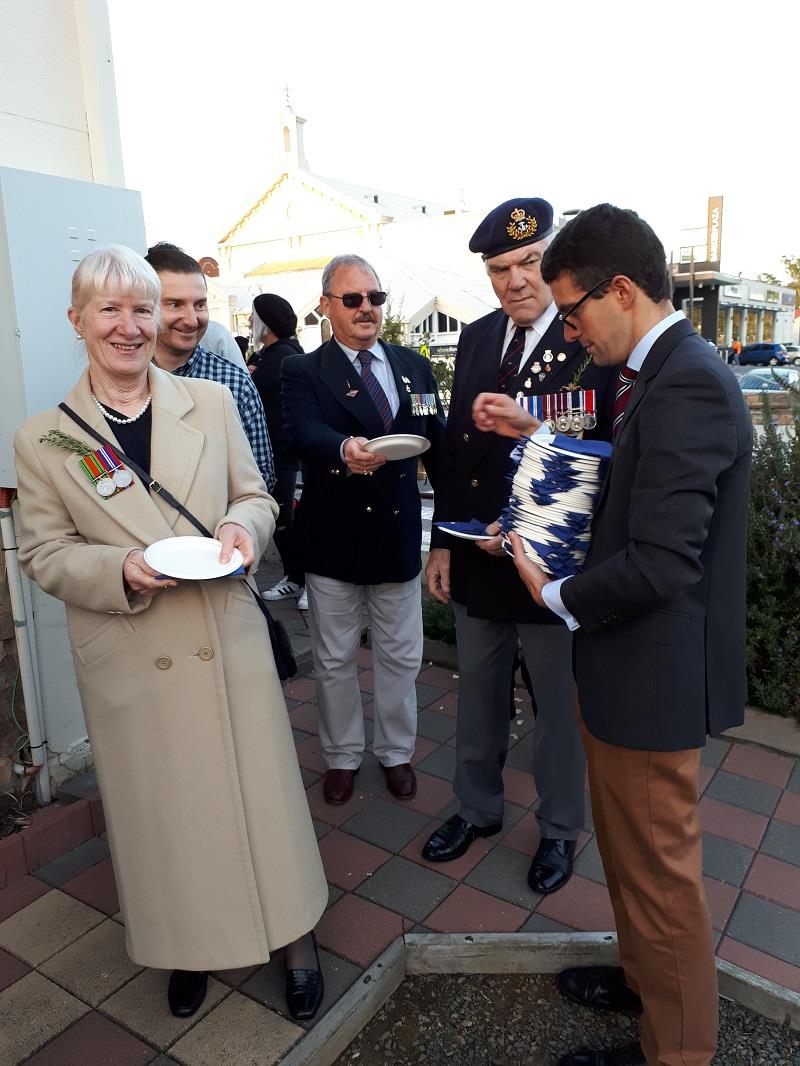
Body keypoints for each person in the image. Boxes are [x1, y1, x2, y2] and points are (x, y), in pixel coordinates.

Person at [14, 246, 327, 1023]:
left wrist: (240, 526)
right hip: (134, 660)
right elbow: (45, 555)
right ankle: (190, 944)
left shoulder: (211, 404)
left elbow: (256, 497)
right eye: (111, 310)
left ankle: (294, 939)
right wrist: (120, 567)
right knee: (169, 823)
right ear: (77, 320)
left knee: (262, 804)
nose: (129, 326)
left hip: (226, 639)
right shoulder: (47, 438)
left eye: (142, 309)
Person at [473, 204, 752, 1066]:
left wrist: (555, 588)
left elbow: (665, 562)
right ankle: (642, 982)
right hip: (627, 667)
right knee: (631, 860)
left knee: (661, 879)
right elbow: (630, 495)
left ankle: (677, 1050)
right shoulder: (658, 371)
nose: (568, 327)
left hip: (650, 676)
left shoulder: (689, 380)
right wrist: (539, 519)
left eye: (573, 308)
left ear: (621, 289)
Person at [422, 198, 616, 897]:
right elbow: (453, 449)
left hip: (549, 566)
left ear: (554, 261)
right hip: (477, 554)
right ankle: (476, 809)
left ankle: (560, 827)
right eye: (500, 268)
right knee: (476, 695)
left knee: (556, 711)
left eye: (529, 263)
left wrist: (536, 428)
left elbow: (613, 454)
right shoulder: (475, 338)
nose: (515, 281)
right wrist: (442, 542)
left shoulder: (589, 337)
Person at [281, 253, 444, 805]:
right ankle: (342, 755)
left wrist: (448, 526)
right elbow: (300, 431)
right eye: (352, 299)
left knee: (402, 656)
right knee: (333, 659)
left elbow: (431, 434)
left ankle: (396, 753)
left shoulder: (413, 366)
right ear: (327, 306)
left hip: (396, 538)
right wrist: (341, 449)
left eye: (375, 298)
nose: (366, 308)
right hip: (334, 539)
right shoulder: (303, 370)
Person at [144, 243, 274, 491]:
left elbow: (261, 478)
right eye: (175, 304)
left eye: (200, 304)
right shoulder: (124, 382)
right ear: (145, 306)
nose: (192, 319)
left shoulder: (234, 383)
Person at [250, 294, 308, 610]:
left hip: (282, 452)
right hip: (276, 451)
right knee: (279, 516)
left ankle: (307, 579)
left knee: (284, 516)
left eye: (252, 318)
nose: (248, 323)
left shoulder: (280, 358)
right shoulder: (273, 355)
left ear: (265, 323)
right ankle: (297, 577)